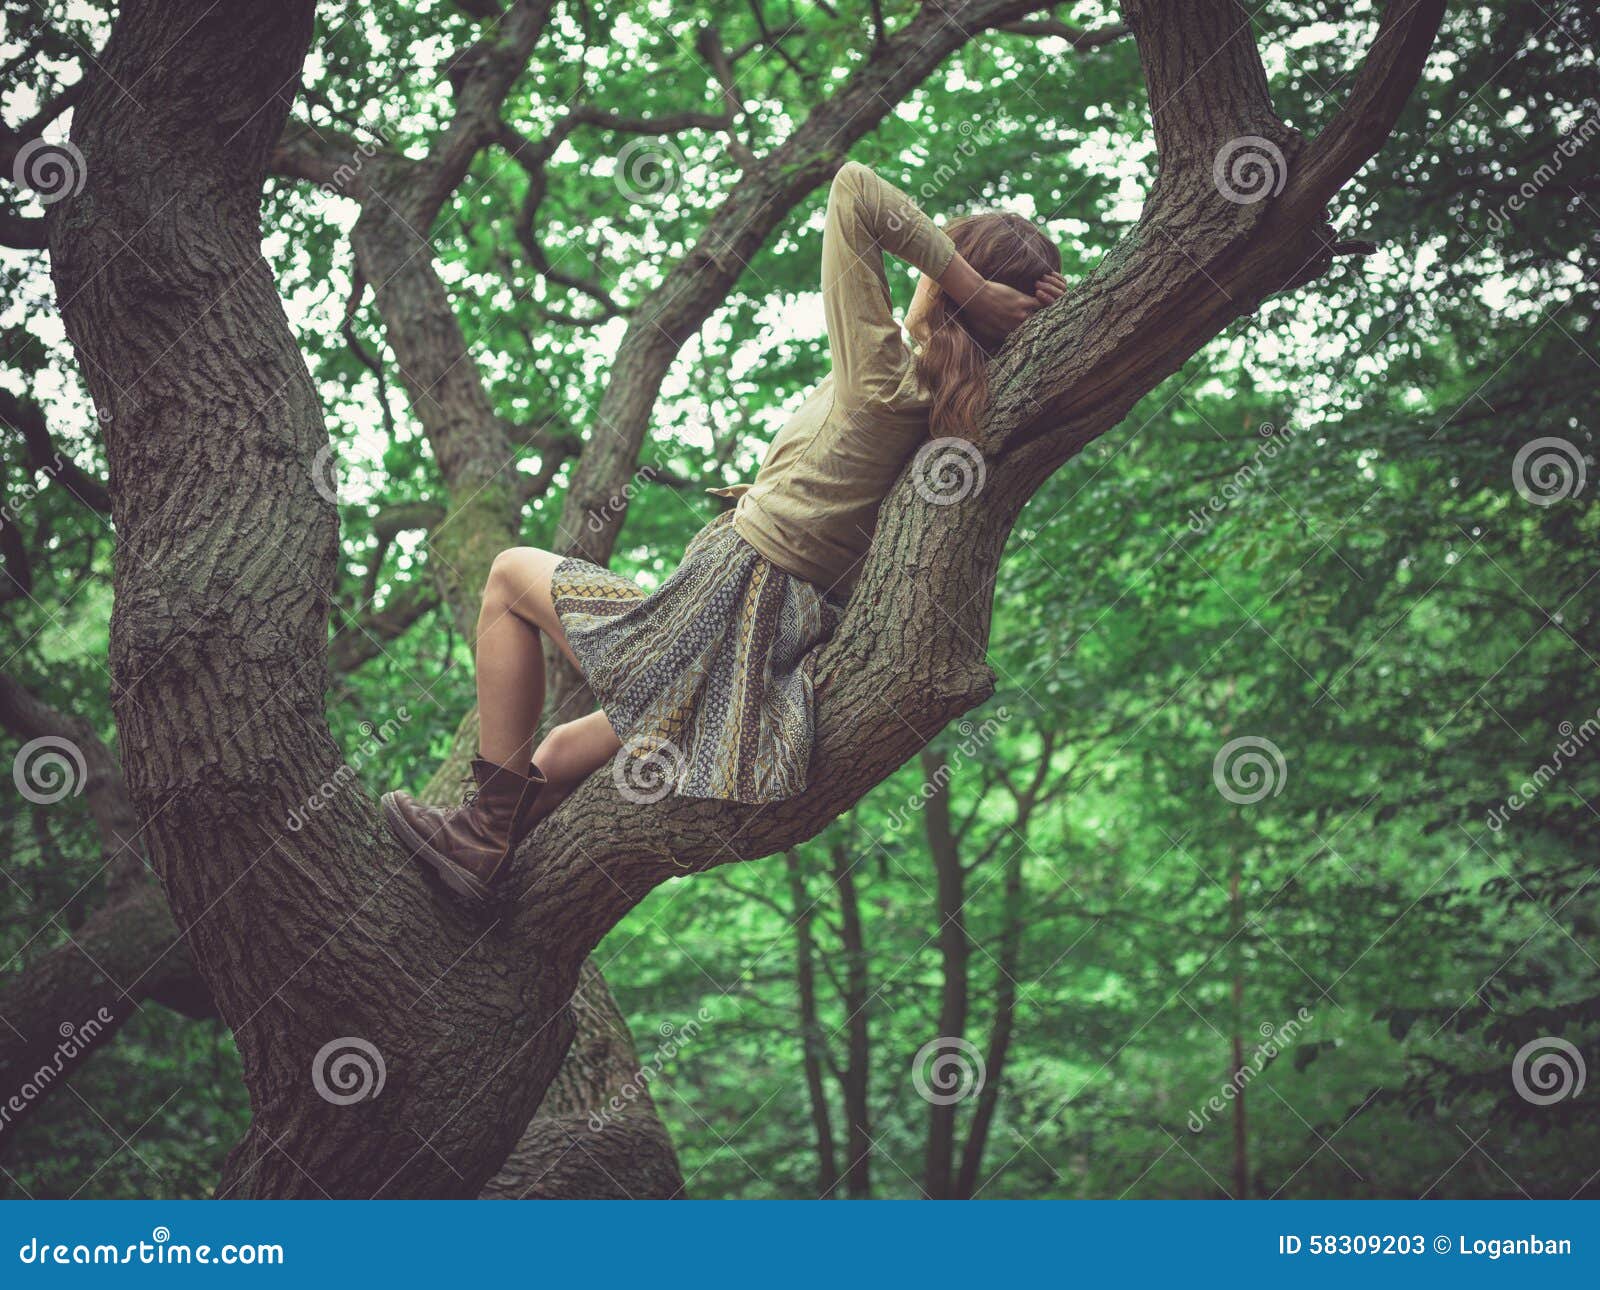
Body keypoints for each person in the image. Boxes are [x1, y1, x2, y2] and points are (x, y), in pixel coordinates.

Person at [382, 160, 1067, 902]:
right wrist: (1048, 311)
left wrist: (970, 286)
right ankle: (489, 874)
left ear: (956, 282)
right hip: (767, 626)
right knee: (558, 752)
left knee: (510, 575)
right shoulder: (961, 402)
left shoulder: (887, 371)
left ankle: (481, 837)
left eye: (951, 259)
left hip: (729, 601)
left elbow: (855, 189)